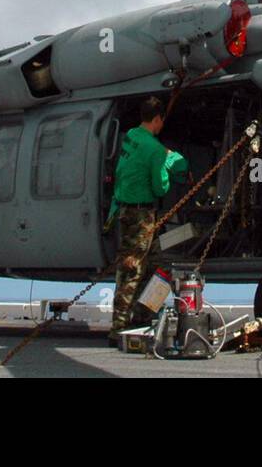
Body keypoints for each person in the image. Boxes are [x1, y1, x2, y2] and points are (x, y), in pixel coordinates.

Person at [107, 96, 188, 344]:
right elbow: (161, 187)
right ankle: (119, 327)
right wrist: (169, 160)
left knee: (159, 265)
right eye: (161, 121)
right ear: (157, 119)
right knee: (132, 268)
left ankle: (143, 314)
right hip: (142, 216)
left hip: (125, 211)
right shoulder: (154, 150)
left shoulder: (130, 136)